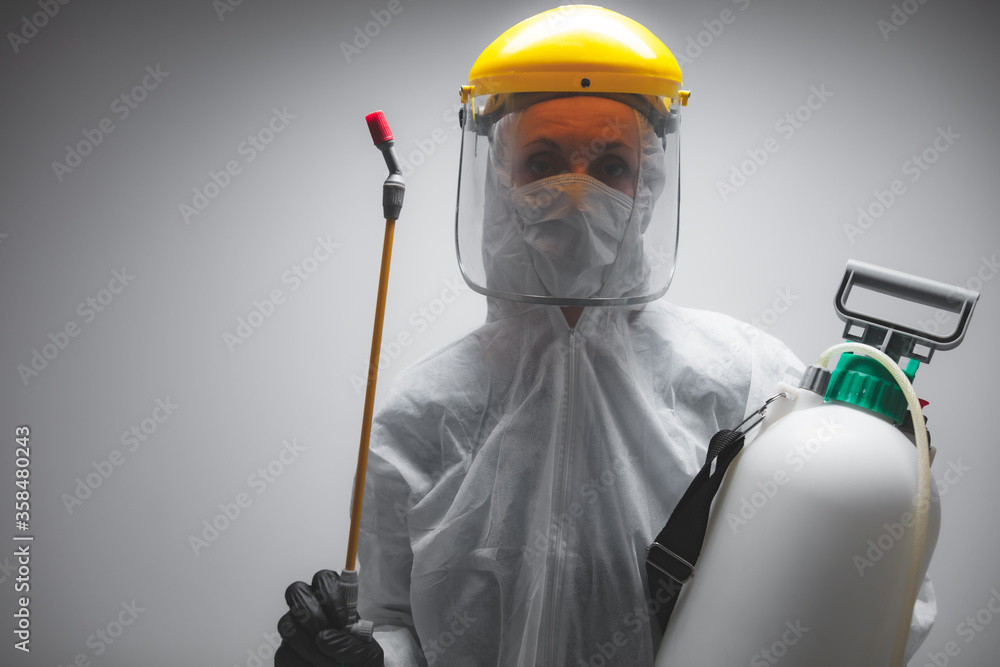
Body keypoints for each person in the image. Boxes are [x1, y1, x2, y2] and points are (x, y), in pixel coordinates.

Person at [275, 6, 936, 665]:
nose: (577, 188)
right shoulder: (426, 410)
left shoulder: (746, 382)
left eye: (611, 164)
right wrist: (361, 657)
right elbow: (394, 621)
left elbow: (859, 599)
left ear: (648, 184)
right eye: (544, 160)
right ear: (499, 177)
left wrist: (885, 469)